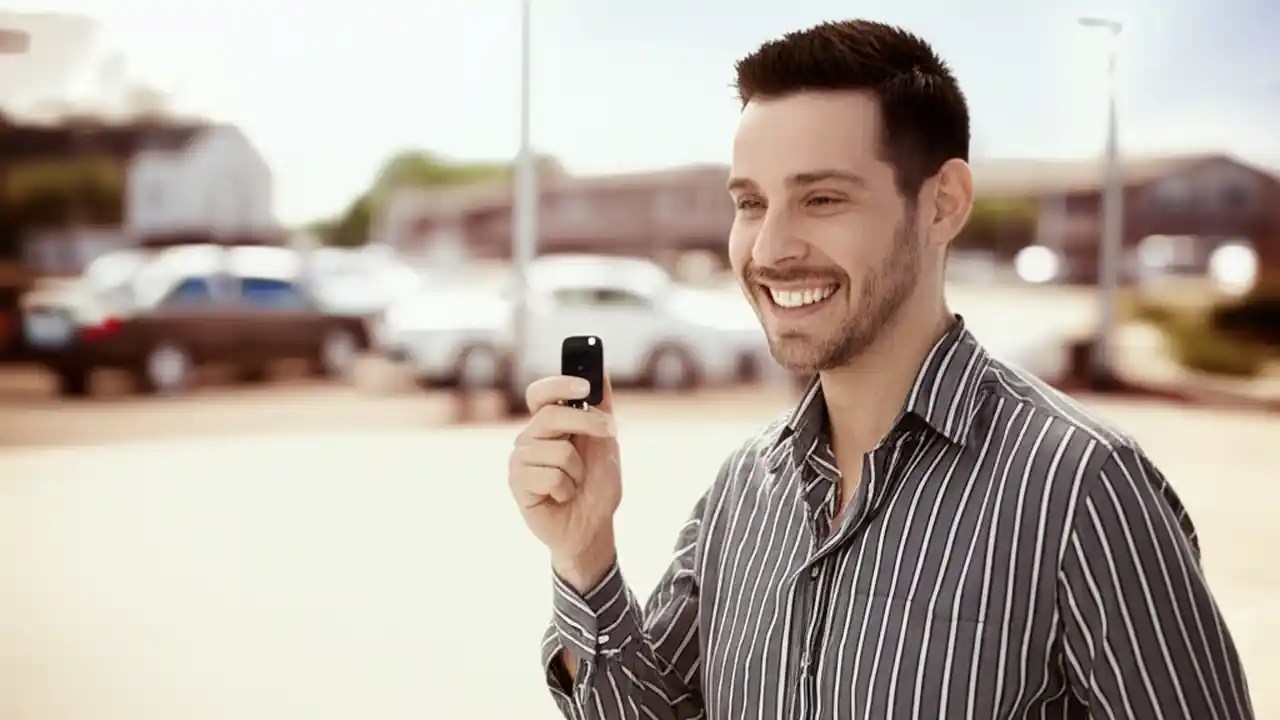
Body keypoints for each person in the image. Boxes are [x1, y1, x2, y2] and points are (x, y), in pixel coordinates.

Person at [506, 19, 1254, 719]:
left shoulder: (1083, 489)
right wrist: (584, 551)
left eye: (822, 198)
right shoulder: (741, 493)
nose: (770, 248)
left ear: (943, 205)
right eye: (751, 203)